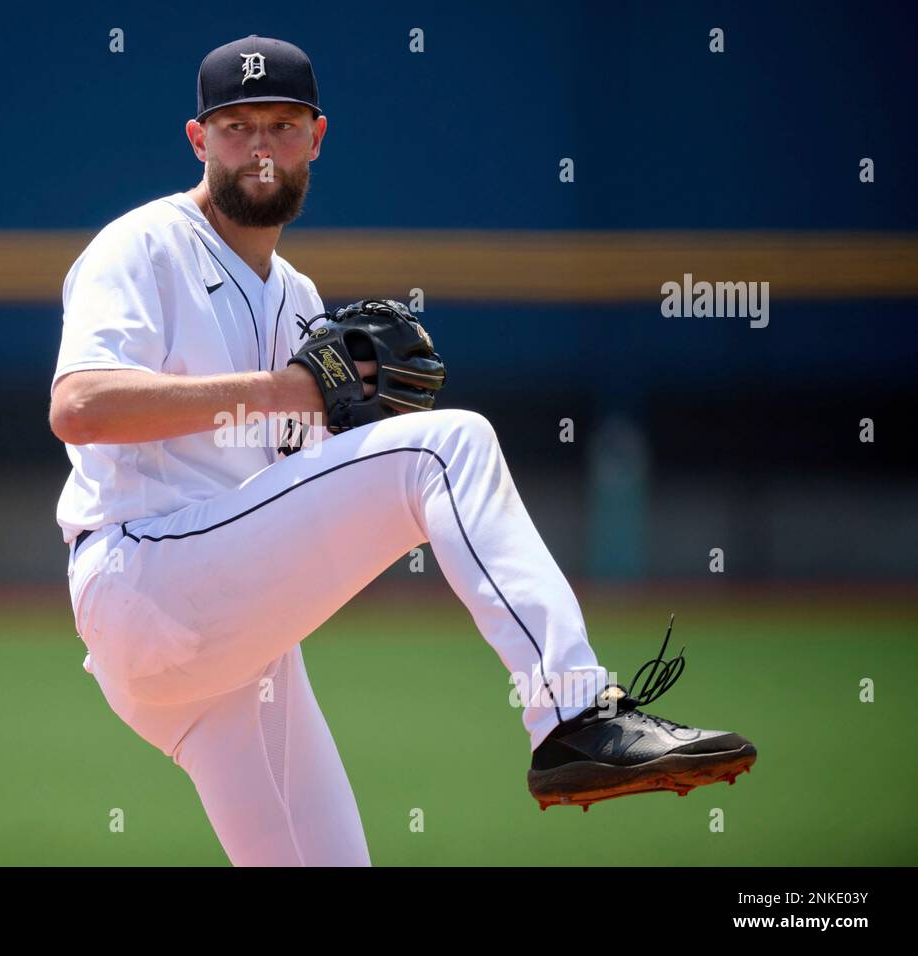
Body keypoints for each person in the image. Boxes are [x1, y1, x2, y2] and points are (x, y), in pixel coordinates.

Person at [48, 35, 756, 866]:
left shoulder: (301, 298)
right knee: (449, 447)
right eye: (237, 127)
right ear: (199, 141)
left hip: (234, 642)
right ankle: (572, 716)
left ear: (317, 138)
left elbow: (287, 488)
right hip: (144, 580)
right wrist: (292, 392)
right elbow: (80, 406)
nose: (261, 148)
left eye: (281, 125)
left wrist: (341, 433)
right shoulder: (142, 245)